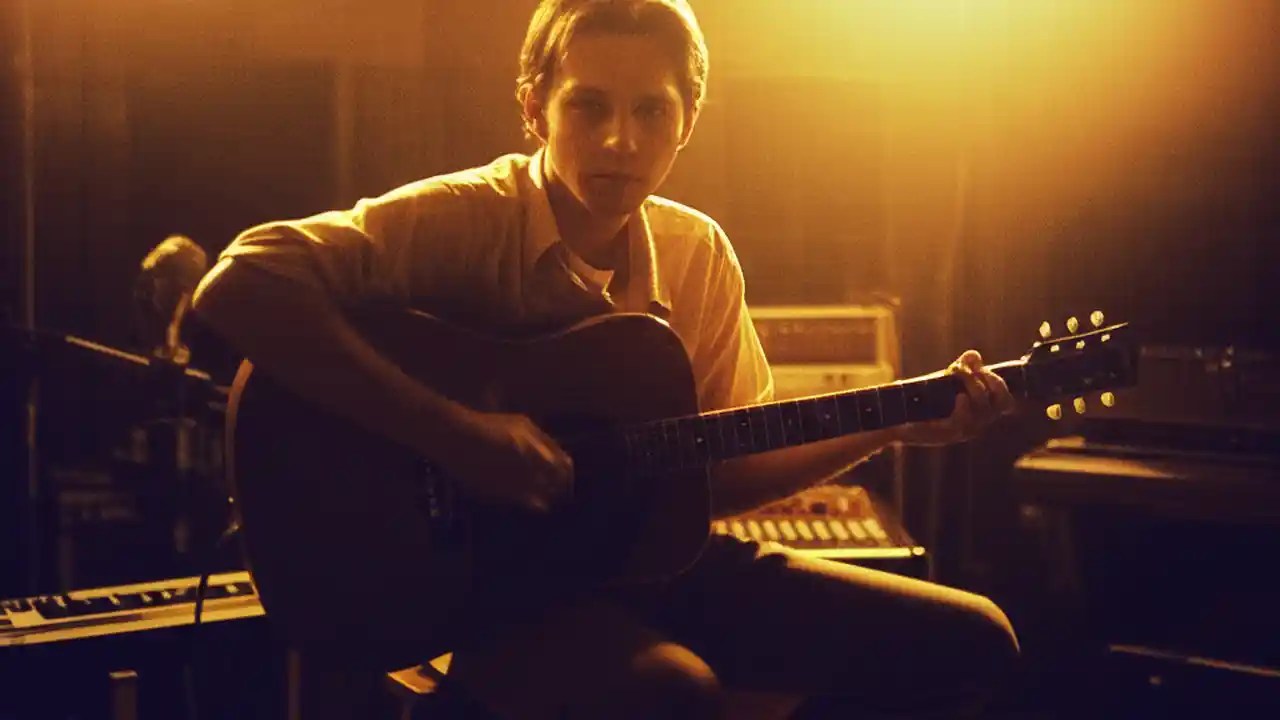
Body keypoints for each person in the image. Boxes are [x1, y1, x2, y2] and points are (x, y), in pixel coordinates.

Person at [192, 1, 1020, 717]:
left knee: (971, 641)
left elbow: (720, 473)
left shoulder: (697, 255)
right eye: (588, 107)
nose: (621, 139)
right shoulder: (458, 221)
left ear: (687, 121)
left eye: (651, 112)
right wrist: (456, 435)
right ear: (533, 109)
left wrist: (893, 428)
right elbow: (240, 283)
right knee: (670, 692)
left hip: (643, 563)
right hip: (484, 593)